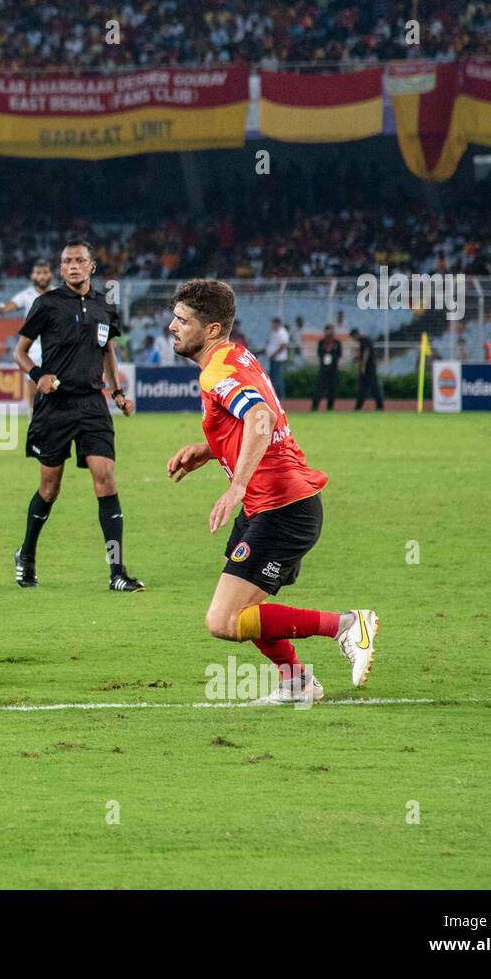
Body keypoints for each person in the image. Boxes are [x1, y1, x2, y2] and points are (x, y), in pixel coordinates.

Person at [164, 279, 377, 706]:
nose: (172, 326)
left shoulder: (218, 371)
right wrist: (210, 451)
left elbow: (260, 417)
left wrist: (236, 485)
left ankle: (348, 624)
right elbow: (258, 423)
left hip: (283, 508)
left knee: (223, 620)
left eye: (182, 320)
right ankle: (297, 681)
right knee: (243, 606)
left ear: (211, 329)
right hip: (270, 504)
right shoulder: (237, 355)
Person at [13, 241, 143, 592]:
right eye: (67, 261)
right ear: (61, 268)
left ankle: (117, 571)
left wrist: (117, 392)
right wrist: (37, 376)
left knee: (106, 478)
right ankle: (26, 555)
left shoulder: (105, 305)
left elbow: (108, 350)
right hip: (55, 407)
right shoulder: (46, 304)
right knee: (50, 488)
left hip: (92, 404)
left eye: (79, 260)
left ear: (92, 267)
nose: (73, 266)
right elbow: (20, 352)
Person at [0, 260, 54, 398]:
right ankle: (33, 418)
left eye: (45, 273)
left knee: (56, 388)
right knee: (33, 390)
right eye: (38, 273)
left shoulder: (58, 294)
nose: (42, 276)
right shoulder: (27, 295)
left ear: (51, 275)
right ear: (32, 276)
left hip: (55, 347)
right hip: (33, 348)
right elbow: (6, 308)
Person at [350, 328, 383, 410]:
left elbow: (366, 352)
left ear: (356, 335)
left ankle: (379, 406)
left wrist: (363, 366)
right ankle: (358, 407)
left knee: (373, 388)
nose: (354, 340)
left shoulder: (364, 341)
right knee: (363, 389)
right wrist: (358, 358)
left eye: (353, 338)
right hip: (369, 367)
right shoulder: (365, 340)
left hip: (369, 369)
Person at [312, 324, 342, 411]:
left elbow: (339, 354)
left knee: (332, 389)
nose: (328, 332)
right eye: (327, 330)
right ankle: (315, 407)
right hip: (324, 369)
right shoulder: (322, 342)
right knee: (320, 388)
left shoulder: (337, 343)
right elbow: (319, 353)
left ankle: (330, 407)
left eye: (330, 330)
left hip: (333, 369)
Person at [265, 316, 290, 399]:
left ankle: (281, 396)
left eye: (274, 324)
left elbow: (283, 345)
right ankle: (275, 395)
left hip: (279, 359)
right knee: (273, 377)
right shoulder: (273, 332)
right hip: (273, 358)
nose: (273, 325)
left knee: (278, 378)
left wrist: (274, 355)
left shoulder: (282, 332)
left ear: (278, 323)